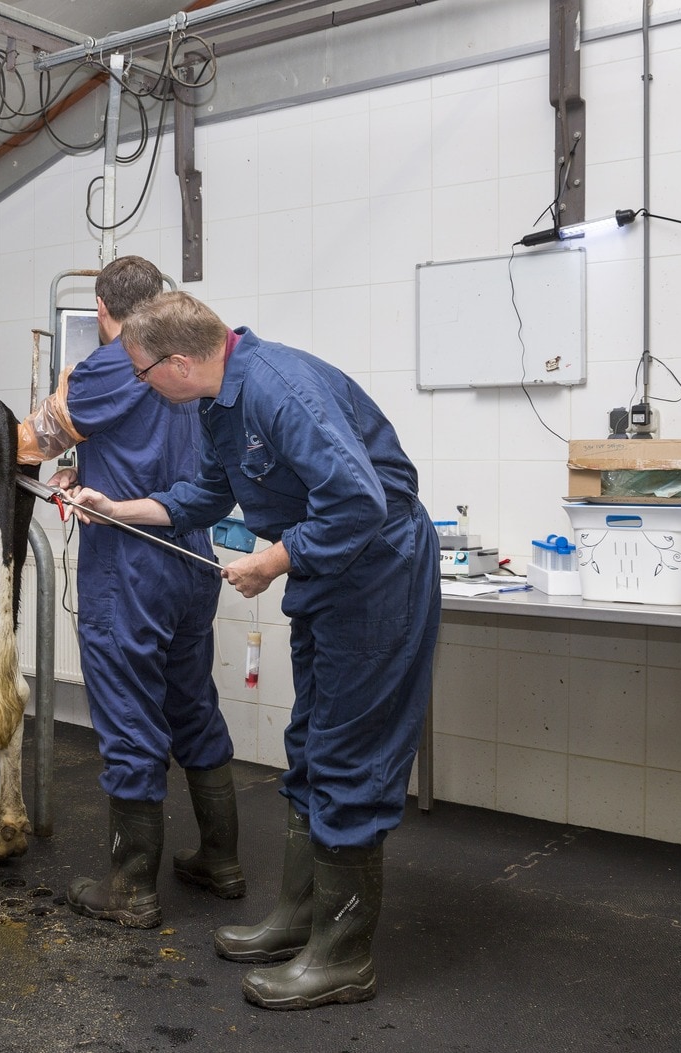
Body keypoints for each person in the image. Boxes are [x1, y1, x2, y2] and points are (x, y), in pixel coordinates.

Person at [63, 291, 441, 1011]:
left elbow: (360, 499)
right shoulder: (216, 404)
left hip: (378, 571)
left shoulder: (276, 388)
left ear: (177, 362)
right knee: (309, 742)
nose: (141, 384)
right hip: (331, 575)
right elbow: (200, 496)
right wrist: (115, 506)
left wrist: (272, 561)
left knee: (348, 752)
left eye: (142, 373)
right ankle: (298, 918)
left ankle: (344, 954)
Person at [16, 257, 242, 931]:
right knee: (193, 704)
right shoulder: (191, 358)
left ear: (103, 311)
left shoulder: (114, 365)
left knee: (130, 717)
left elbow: (37, 438)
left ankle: (132, 886)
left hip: (128, 567)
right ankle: (221, 858)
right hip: (192, 554)